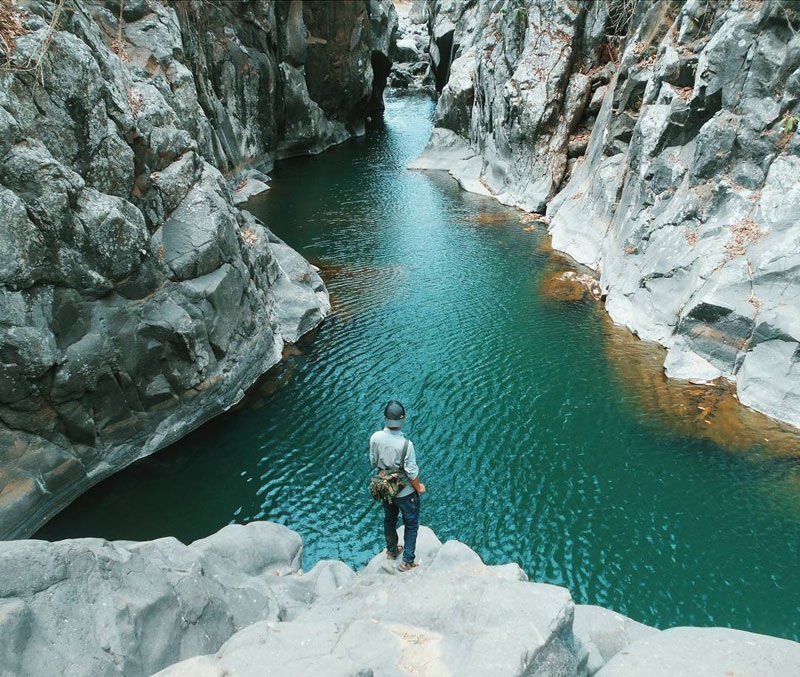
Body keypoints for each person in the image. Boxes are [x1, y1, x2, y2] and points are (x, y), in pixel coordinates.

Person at [369, 399, 426, 571]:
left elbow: (373, 461)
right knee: (411, 523)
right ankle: (407, 561)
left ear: (385, 418)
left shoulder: (375, 438)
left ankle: (392, 550)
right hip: (405, 493)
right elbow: (412, 472)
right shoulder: (406, 445)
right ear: (403, 420)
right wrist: (419, 487)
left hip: (385, 489)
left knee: (389, 518)